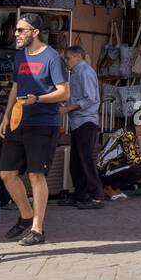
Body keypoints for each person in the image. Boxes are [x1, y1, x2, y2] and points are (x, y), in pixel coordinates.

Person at [0, 14, 70, 246]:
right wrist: (6, 116)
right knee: (7, 173)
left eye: (21, 30)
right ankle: (26, 215)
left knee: (35, 174)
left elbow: (64, 93)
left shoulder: (52, 58)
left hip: (43, 123)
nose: (17, 34)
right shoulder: (20, 56)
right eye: (17, 30)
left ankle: (37, 229)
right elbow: (15, 86)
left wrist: (37, 98)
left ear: (35, 32)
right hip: (18, 121)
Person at [60, 45, 104, 209]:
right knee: (76, 161)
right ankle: (80, 194)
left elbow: (89, 99)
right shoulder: (77, 73)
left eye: (68, 58)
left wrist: (67, 109)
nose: (66, 61)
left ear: (78, 57)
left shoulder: (85, 72)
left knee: (85, 159)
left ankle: (97, 195)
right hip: (78, 121)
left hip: (86, 121)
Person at [98, 127, 141, 200]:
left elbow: (137, 155)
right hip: (105, 168)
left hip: (114, 165)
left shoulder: (131, 133)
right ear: (140, 122)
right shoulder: (127, 134)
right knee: (138, 170)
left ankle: (116, 188)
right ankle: (108, 188)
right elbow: (133, 159)